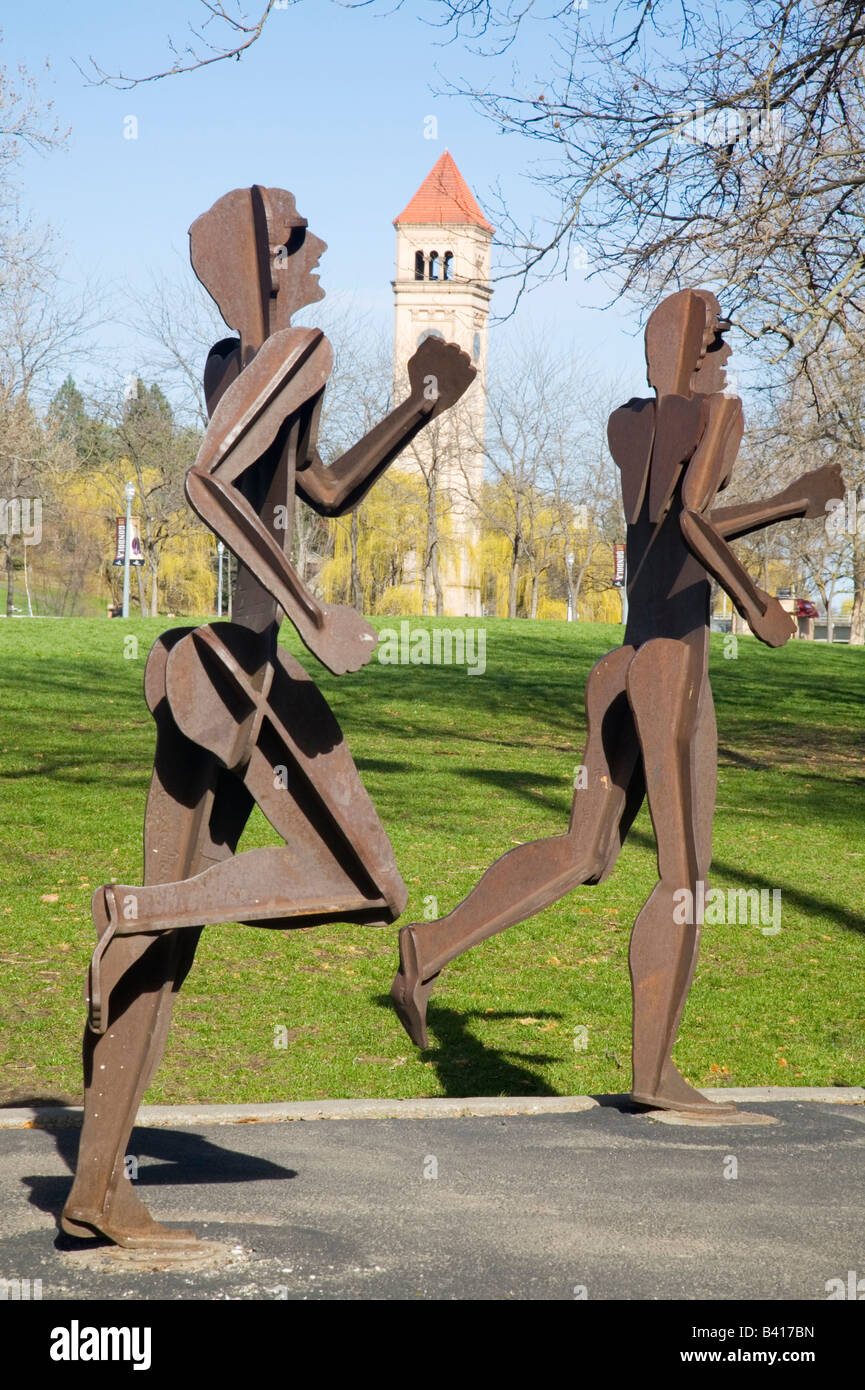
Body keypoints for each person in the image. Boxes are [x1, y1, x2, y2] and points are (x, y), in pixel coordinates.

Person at [62, 185, 475, 1246]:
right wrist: (312, 612)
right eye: (301, 234)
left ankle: (96, 1189)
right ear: (268, 257)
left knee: (172, 957)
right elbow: (207, 483)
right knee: (367, 882)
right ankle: (138, 907)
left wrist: (417, 409)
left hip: (198, 665)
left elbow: (318, 489)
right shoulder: (300, 345)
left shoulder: (239, 361)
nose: (323, 244)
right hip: (242, 670)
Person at [391, 287, 843, 1117]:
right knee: (685, 873)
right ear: (686, 350)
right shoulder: (720, 415)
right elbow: (694, 522)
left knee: (584, 852)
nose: (725, 359)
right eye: (714, 344)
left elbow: (669, 521)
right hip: (671, 669)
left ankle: (427, 947)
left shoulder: (627, 423)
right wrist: (759, 596)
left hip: (621, 663)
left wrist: (777, 510)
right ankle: (652, 1075)